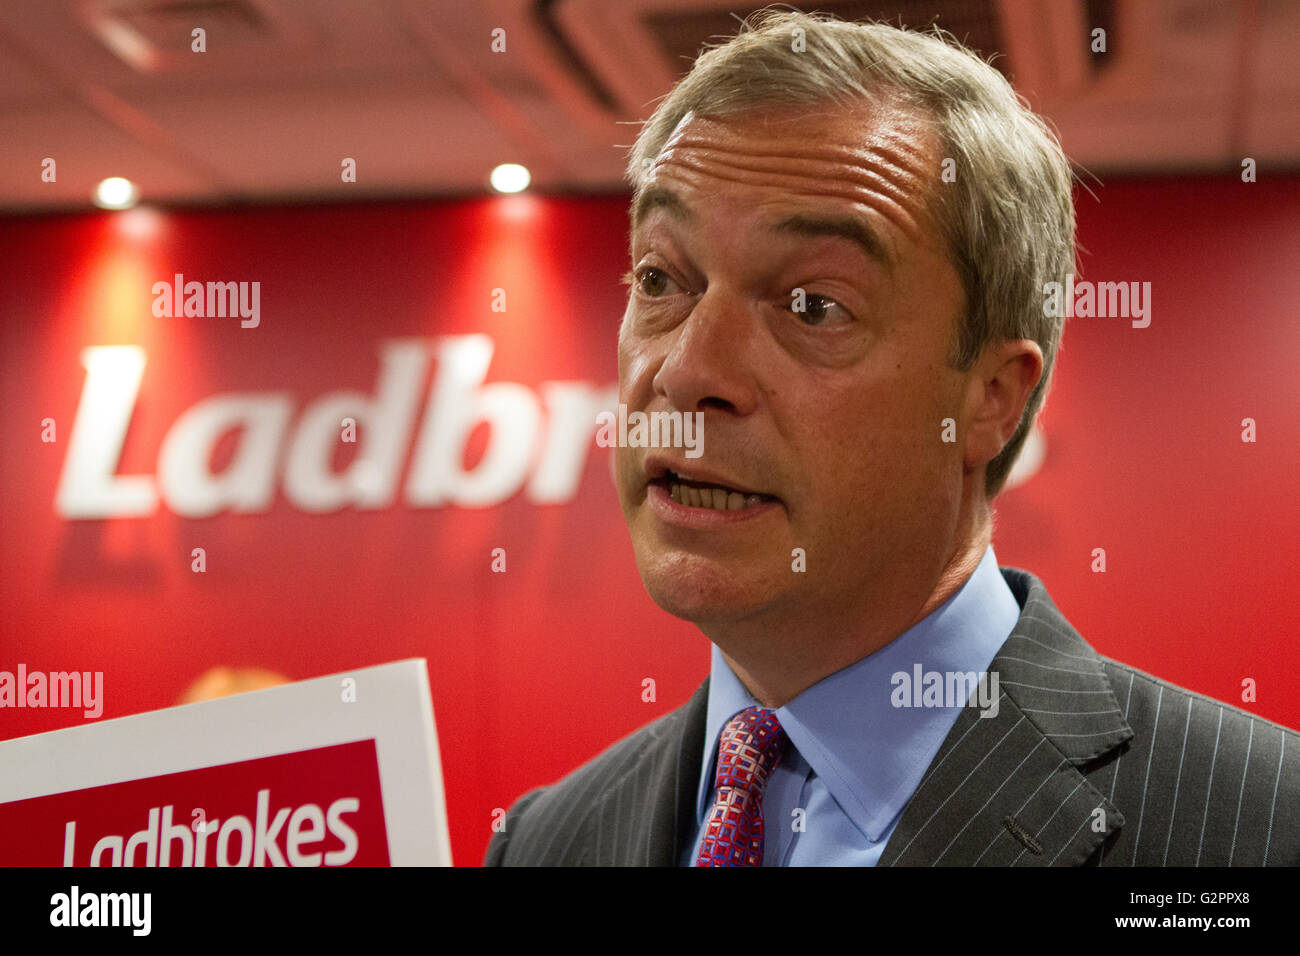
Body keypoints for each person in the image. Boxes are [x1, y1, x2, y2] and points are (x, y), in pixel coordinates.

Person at [485, 9, 1299, 866]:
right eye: (660, 278)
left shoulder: (1257, 829)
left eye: (813, 305)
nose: (687, 373)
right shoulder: (546, 841)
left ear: (991, 398)